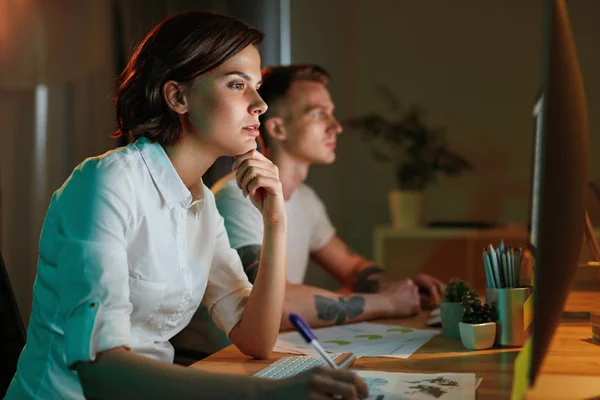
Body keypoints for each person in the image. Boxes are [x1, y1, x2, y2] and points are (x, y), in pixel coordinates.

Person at [5, 15, 368, 400]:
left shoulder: (202, 203)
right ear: (178, 97)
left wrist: (275, 222)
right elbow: (100, 373)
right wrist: (263, 395)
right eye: (236, 85)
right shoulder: (107, 183)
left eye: (257, 87)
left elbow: (256, 338)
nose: (260, 104)